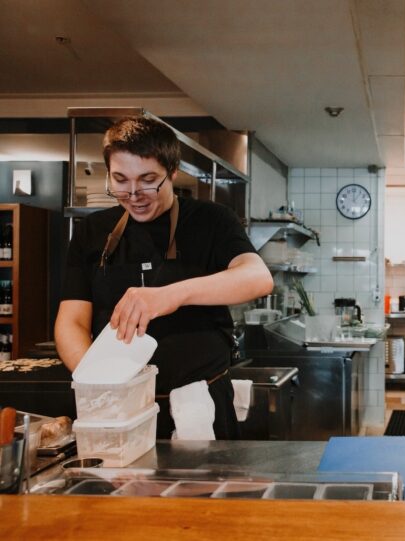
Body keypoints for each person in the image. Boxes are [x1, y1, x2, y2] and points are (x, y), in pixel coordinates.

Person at [55, 116, 274, 439]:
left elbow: (258, 277)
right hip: (117, 408)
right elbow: (71, 321)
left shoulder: (211, 220)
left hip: (199, 405)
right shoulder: (92, 231)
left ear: (172, 171)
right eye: (120, 180)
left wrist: (170, 295)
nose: (133, 194)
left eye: (147, 180)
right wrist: (96, 381)